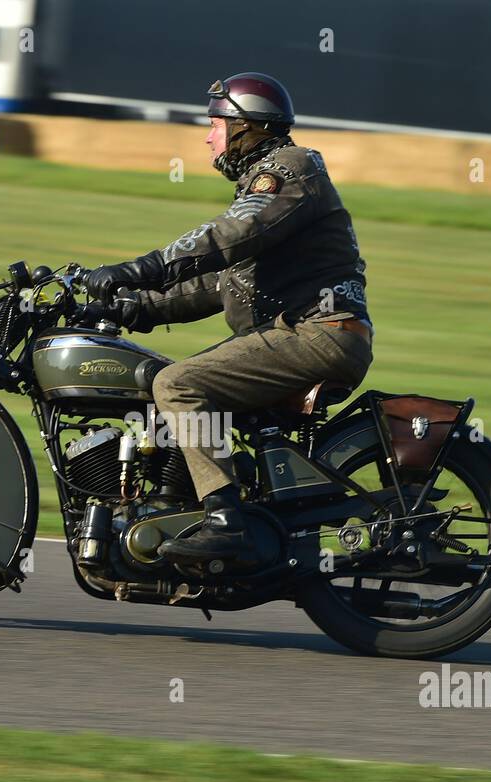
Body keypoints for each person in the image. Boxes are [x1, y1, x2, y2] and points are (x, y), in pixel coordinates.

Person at [86, 72, 372, 562]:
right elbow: (221, 284)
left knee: (177, 384)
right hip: (297, 333)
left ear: (246, 125)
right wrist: (129, 306)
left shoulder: (290, 170)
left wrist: (141, 268)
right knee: (160, 382)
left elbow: (231, 234)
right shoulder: (269, 184)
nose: (207, 135)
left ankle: (224, 520)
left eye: (215, 123)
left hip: (317, 332)